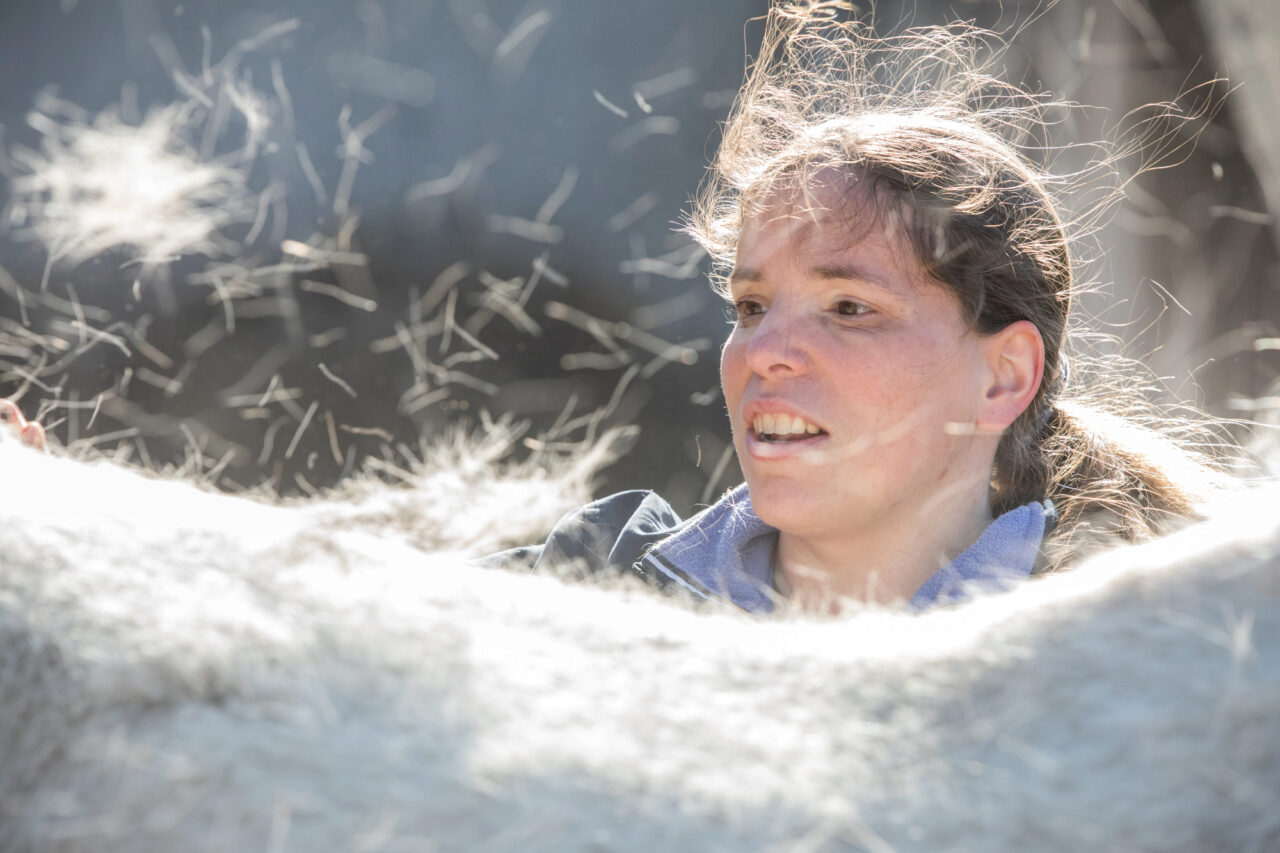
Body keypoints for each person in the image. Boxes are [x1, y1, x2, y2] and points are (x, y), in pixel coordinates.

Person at [483, 2, 1234, 614]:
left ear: (1003, 378)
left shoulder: (1147, 663)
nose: (763, 349)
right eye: (750, 305)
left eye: (847, 306)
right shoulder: (580, 592)